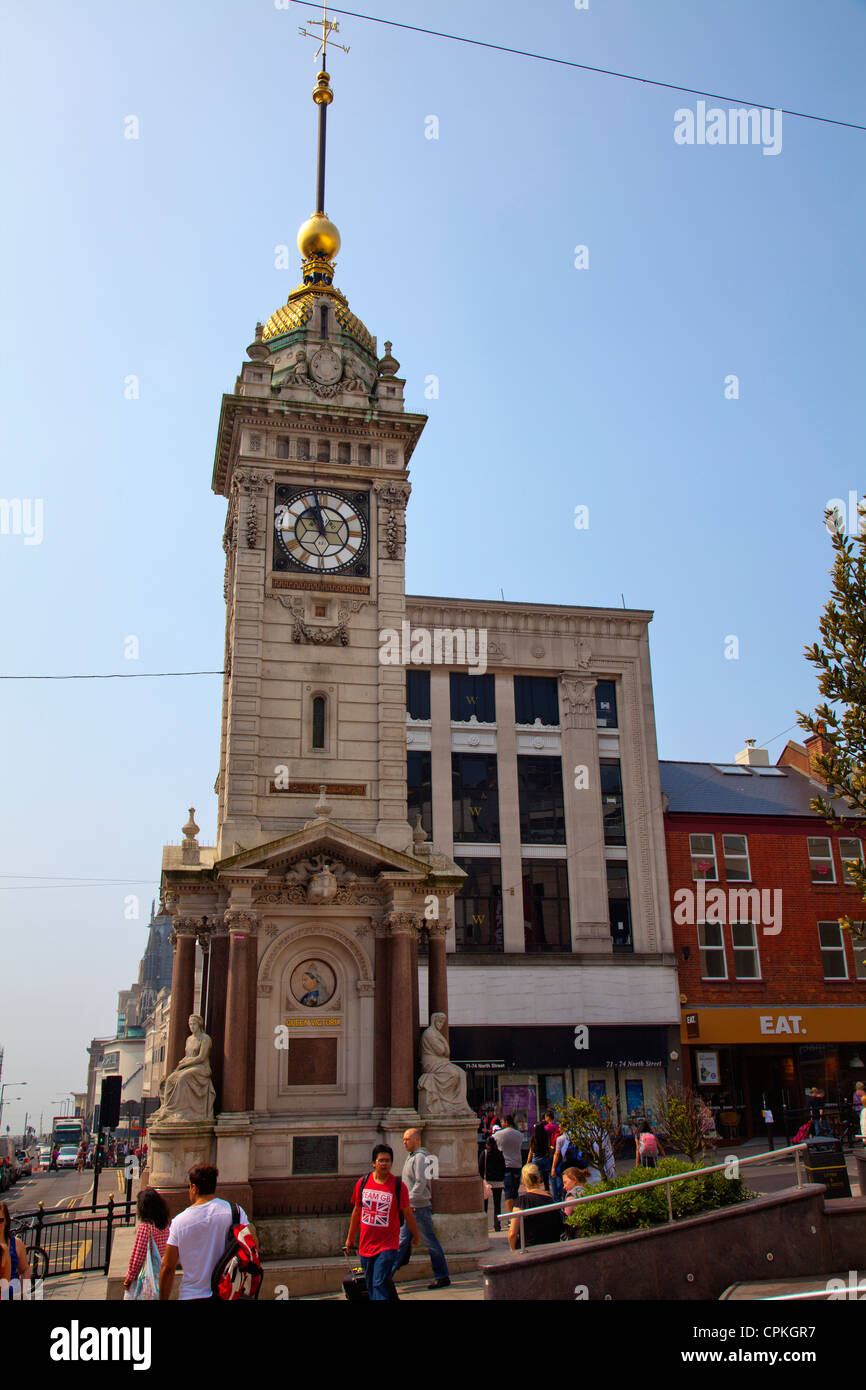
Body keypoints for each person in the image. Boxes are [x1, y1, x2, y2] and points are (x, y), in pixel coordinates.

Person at [159, 1164, 248, 1301]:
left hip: (191, 1295)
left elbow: (168, 1267)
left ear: (194, 1188)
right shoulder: (235, 1212)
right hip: (226, 1293)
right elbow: (252, 1246)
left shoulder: (179, 1222)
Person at [345, 1144, 420, 1301]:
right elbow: (357, 1212)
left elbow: (407, 1213)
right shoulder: (362, 1183)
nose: (384, 1164)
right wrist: (350, 1238)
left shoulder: (399, 1186)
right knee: (372, 1285)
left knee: (379, 1282)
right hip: (366, 1246)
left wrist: (415, 1234)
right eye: (381, 1160)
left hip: (388, 1245)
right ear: (374, 1163)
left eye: (387, 1160)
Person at [397, 1129, 450, 1289]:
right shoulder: (413, 1156)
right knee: (402, 1241)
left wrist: (408, 1200)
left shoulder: (420, 1157)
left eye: (407, 1139)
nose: (404, 1142)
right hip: (414, 1206)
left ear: (417, 1140)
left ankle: (442, 1276)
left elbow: (421, 1182)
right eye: (404, 1139)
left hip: (417, 1207)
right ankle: (386, 1274)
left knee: (427, 1241)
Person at [124, 1188, 171, 1297]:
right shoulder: (165, 1225)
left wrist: (129, 1277)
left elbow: (138, 1255)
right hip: (159, 1273)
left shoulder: (146, 1227)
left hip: (145, 1276)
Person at [507, 1164, 562, 1250]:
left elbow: (512, 1233)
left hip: (529, 1250)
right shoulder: (550, 1199)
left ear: (523, 1182)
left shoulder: (522, 1202)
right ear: (539, 1179)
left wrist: (513, 1251)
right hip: (552, 1248)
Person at [494, 1115, 525, 1215]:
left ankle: (511, 1216)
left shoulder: (498, 1134)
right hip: (517, 1164)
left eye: (502, 1122)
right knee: (515, 1191)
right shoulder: (519, 1134)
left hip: (505, 1165)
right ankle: (517, 1213)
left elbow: (492, 1143)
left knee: (508, 1192)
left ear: (506, 1122)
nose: (501, 1124)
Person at [0, 1201, 31, 1297]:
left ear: (6, 1221)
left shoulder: (16, 1244)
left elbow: (25, 1270)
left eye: (0, 1220)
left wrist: (22, 1291)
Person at [482, 1132, 506, 1233]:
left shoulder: (485, 1153)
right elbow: (504, 1167)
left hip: (487, 1182)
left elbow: (480, 1167)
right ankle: (497, 1225)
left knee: (485, 1205)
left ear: (487, 1144)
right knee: (497, 1205)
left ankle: (483, 1226)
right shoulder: (500, 1153)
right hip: (498, 1182)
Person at [527, 1119, 552, 1191]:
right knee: (546, 1178)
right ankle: (547, 1190)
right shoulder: (545, 1136)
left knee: (536, 1177)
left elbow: (531, 1151)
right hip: (545, 1158)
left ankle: (537, 1190)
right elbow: (549, 1146)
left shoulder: (534, 1138)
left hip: (536, 1159)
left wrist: (528, 1162)